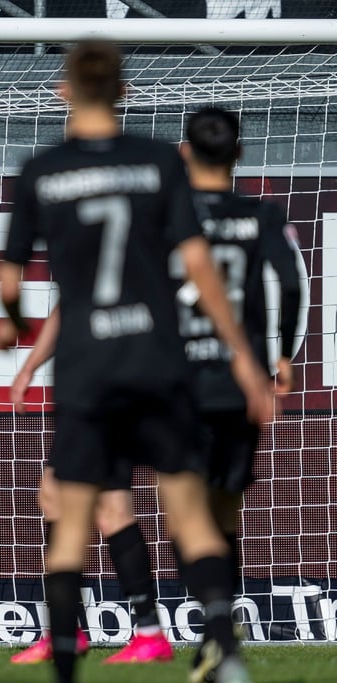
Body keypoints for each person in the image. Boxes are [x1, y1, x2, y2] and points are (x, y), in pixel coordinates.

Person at [0, 40, 273, 683]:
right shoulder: (156, 162)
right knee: (189, 511)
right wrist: (245, 360)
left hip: (90, 371)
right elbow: (197, 263)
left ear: (65, 91)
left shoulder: (42, 170)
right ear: (122, 91)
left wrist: (11, 327)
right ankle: (224, 651)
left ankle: (68, 666)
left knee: (66, 521)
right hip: (156, 359)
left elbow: (11, 279)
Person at [176, 105, 302, 617]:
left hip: (178, 380)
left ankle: (212, 622)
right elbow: (290, 283)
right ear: (239, 154)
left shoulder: (168, 215)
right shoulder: (261, 214)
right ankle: (220, 625)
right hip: (237, 379)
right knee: (226, 509)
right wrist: (283, 354)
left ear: (184, 152)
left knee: (186, 510)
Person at [7, 307, 173, 666]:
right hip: (91, 386)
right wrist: (30, 367)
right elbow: (66, 309)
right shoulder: (87, 264)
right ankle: (72, 630)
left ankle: (143, 632)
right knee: (55, 496)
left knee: (109, 509)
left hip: (104, 388)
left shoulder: (121, 260)